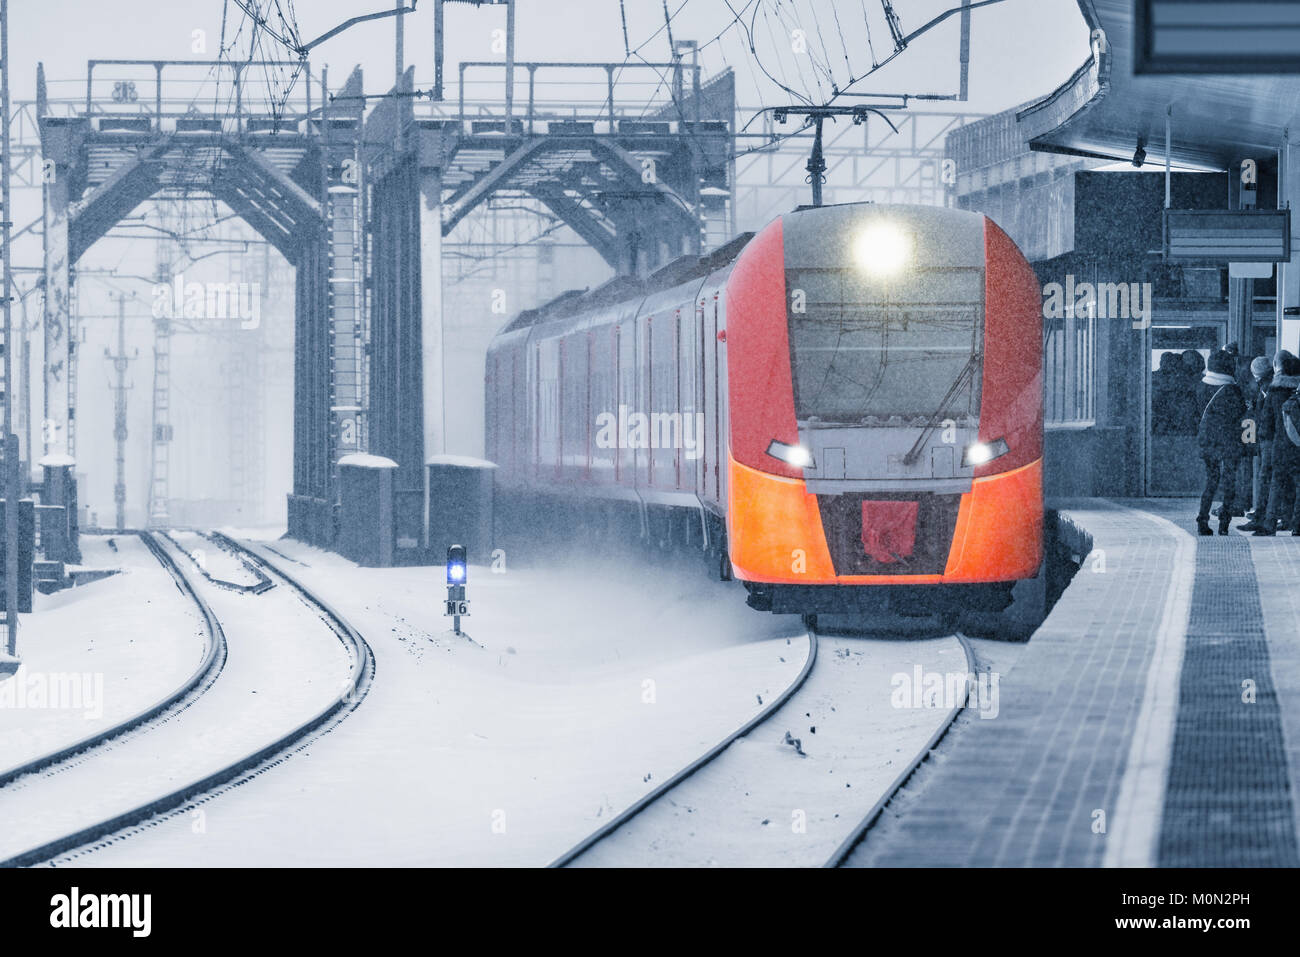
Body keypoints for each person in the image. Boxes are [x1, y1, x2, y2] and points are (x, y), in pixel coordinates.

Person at [1196, 349, 1248, 536]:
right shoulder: (1232, 390)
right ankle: (1224, 522)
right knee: (1229, 481)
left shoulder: (1201, 386)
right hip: (1229, 441)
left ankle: (1202, 519)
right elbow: (1240, 413)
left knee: (1211, 480)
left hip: (1208, 440)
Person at [1253, 351, 1300, 535]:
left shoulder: (1275, 390)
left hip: (1280, 444)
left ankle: (1269, 524)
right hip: (1298, 445)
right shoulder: (1297, 391)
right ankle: (1297, 524)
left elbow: (1267, 422)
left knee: (1276, 483)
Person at [1240, 356, 1275, 531]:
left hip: (1267, 437)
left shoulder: (1266, 388)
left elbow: (1265, 415)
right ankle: (1268, 514)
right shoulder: (1270, 385)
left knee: (1265, 476)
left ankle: (1261, 515)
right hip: (1270, 437)